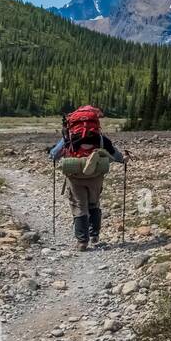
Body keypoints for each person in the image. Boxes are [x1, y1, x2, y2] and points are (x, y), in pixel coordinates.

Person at [49, 107, 125, 250]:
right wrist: (124, 160)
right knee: (94, 203)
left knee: (79, 205)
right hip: (96, 176)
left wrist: (52, 152)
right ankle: (94, 234)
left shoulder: (69, 136)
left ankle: (82, 241)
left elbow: (54, 155)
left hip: (75, 175)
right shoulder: (101, 138)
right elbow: (115, 155)